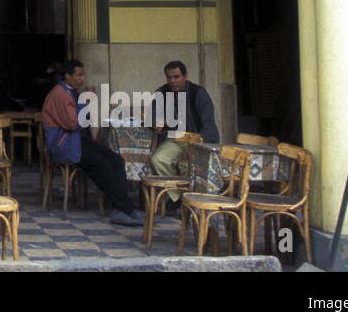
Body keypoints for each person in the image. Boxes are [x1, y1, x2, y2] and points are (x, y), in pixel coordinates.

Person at [41, 59, 144, 226]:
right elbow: (72, 123)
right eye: (78, 75)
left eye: (83, 75)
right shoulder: (59, 94)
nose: (82, 79)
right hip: (65, 145)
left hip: (77, 142)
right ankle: (127, 209)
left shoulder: (70, 91)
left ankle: (121, 209)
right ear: (67, 76)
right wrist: (86, 102)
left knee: (116, 160)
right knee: (102, 164)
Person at [148, 60, 219, 212]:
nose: (172, 81)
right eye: (169, 77)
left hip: (196, 139)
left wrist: (197, 145)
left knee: (187, 164)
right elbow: (152, 116)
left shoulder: (198, 93)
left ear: (185, 76)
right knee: (158, 159)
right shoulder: (161, 93)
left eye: (176, 77)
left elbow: (208, 124)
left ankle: (190, 202)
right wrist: (156, 122)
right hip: (174, 139)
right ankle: (178, 196)